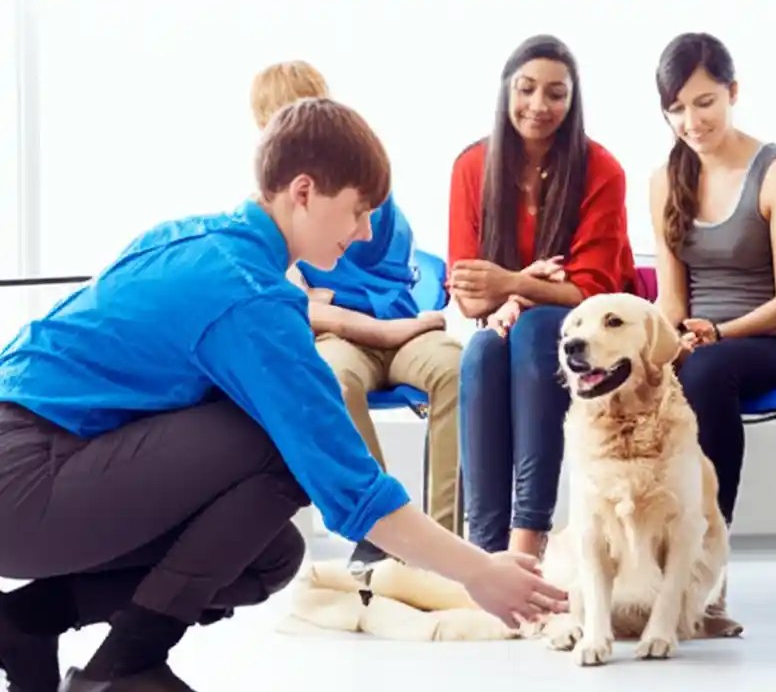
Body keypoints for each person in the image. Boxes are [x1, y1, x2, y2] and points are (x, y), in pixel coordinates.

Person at [0, 98, 566, 692]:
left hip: (38, 466)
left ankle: (28, 624)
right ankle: (122, 671)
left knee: (268, 556)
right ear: (303, 192)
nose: (367, 231)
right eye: (358, 210)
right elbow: (350, 485)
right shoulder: (249, 296)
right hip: (26, 480)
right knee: (283, 442)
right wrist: (479, 572)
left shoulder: (187, 238)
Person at [251, 61, 464, 545]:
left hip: (405, 329)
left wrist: (330, 303)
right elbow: (296, 308)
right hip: (345, 341)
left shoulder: (367, 183)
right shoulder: (266, 214)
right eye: (278, 121)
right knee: (330, 378)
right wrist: (338, 315)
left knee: (456, 368)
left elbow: (393, 282)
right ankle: (384, 536)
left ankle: (446, 537)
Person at [448, 34, 636, 558]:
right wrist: (527, 285)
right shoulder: (472, 167)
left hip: (594, 337)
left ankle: (527, 539)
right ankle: (485, 548)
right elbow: (468, 296)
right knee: (482, 350)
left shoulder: (601, 169)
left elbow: (592, 289)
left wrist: (510, 285)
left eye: (556, 94)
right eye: (527, 89)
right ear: (507, 91)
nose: (539, 106)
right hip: (508, 328)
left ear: (573, 102)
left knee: (533, 331)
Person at [649, 31, 776, 633]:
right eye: (676, 108)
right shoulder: (664, 179)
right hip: (700, 346)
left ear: (733, 92)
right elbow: (671, 300)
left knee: (707, 371)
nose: (691, 121)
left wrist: (716, 333)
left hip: (765, 346)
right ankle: (642, 570)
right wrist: (669, 342)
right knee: (634, 377)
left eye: (704, 102)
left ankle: (706, 574)